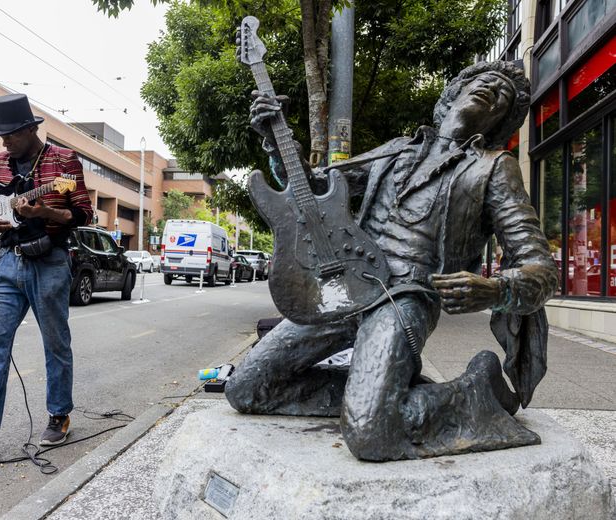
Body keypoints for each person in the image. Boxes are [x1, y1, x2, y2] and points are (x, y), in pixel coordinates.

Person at [225, 61, 558, 461]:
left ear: (500, 120)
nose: (493, 93)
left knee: (370, 436)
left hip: (406, 297)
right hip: (344, 284)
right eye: (485, 83)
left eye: (503, 97)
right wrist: (278, 145)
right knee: (245, 388)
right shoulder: (398, 148)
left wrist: (495, 289)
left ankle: (475, 388)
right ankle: (374, 394)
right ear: (453, 93)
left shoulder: (493, 168)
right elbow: (314, 189)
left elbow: (540, 266)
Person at [0, 94, 93, 460]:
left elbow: (84, 214)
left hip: (49, 260)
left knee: (55, 343)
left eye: (9, 135)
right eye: (0, 135)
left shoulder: (64, 163)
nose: (4, 142)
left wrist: (46, 213)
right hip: (7, 261)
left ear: (28, 130)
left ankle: (59, 415)